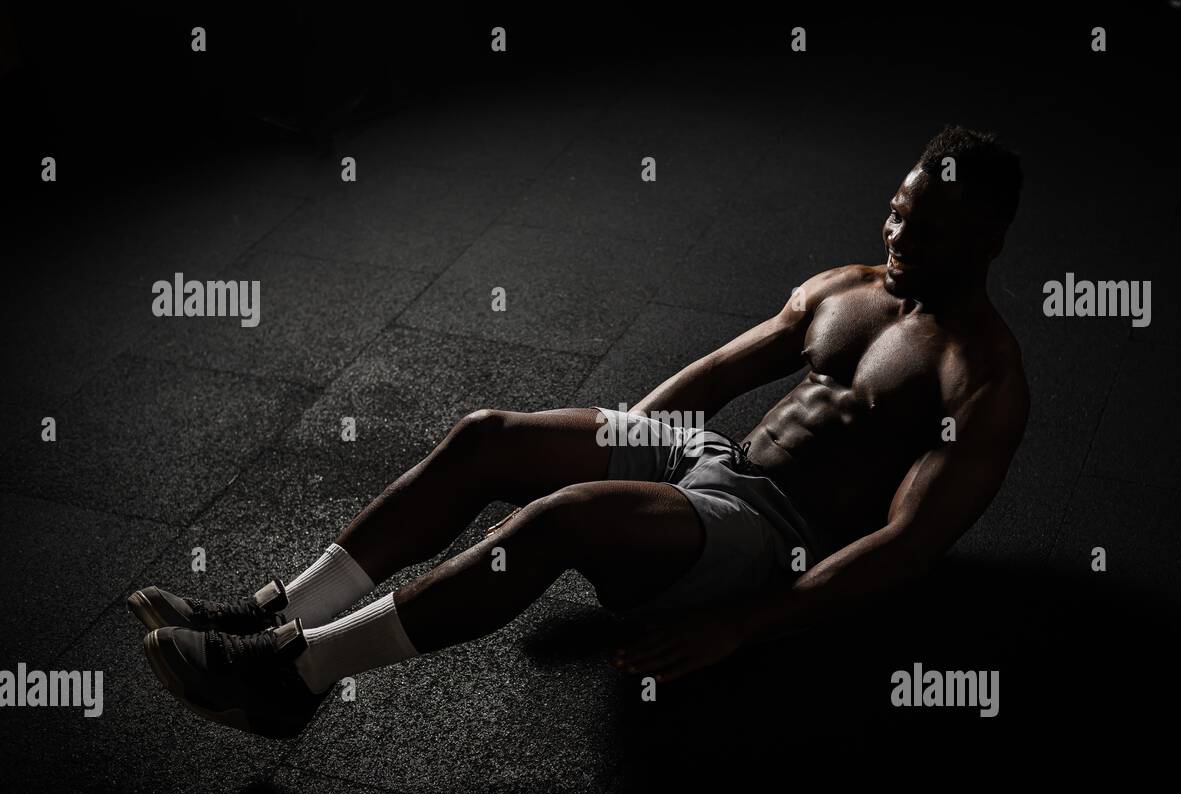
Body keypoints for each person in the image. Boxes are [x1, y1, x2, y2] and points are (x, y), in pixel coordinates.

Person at [132, 125, 1029, 738]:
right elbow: (717, 375)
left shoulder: (980, 378)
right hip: (714, 461)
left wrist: (749, 627)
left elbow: (907, 549)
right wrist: (628, 443)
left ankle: (295, 677)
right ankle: (279, 608)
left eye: (930, 226)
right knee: (489, 437)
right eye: (899, 210)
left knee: (562, 517)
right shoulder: (850, 287)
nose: (900, 234)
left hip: (775, 536)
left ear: (987, 241)